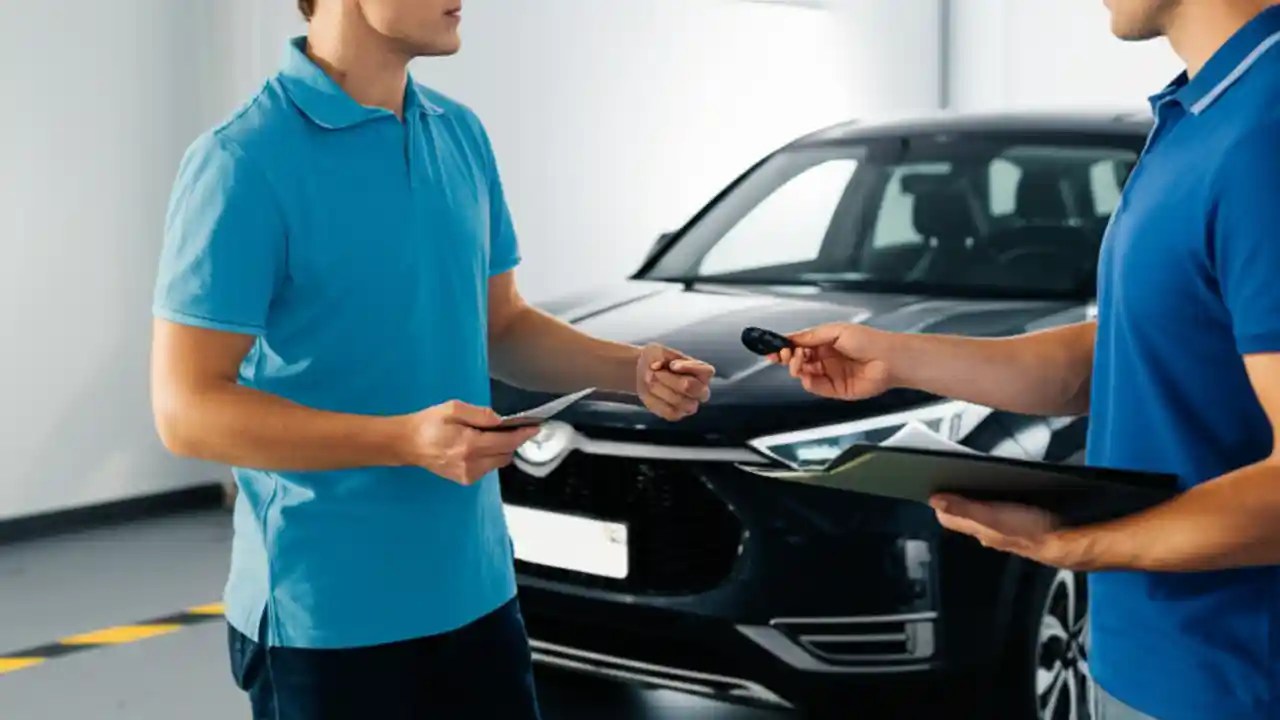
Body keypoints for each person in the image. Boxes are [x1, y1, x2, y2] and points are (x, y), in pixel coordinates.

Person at [149, 1, 716, 718]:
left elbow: (501, 325)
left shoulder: (461, 135)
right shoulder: (241, 160)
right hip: (329, 620)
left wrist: (628, 370)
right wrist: (402, 441)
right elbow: (187, 410)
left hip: (478, 594)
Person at [772, 2, 1280, 718]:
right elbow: (1129, 351)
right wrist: (899, 359)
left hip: (1234, 684)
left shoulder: (1266, 131)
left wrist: (1082, 544)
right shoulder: (1199, 113)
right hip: (1141, 662)